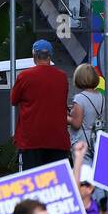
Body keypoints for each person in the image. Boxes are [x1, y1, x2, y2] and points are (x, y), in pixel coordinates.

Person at [11, 40, 71, 170]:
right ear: (50, 56)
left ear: (34, 56)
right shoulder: (62, 77)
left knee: (33, 183)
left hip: (31, 139)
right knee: (56, 184)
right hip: (57, 139)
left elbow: (13, 100)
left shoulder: (24, 76)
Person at [69, 63, 105, 165]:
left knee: (83, 175)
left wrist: (65, 117)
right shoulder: (101, 96)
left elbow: (76, 124)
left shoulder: (80, 98)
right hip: (97, 138)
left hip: (82, 141)